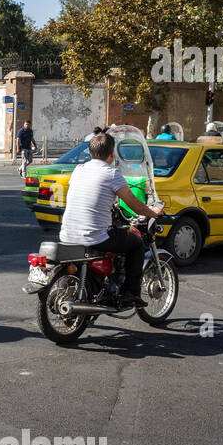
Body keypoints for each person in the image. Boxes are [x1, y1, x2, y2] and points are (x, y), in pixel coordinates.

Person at [59, 130, 165, 310]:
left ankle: (104, 284)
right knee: (136, 243)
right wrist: (153, 212)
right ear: (112, 153)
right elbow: (134, 204)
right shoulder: (112, 174)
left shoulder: (79, 170)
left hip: (67, 235)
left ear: (91, 152)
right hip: (95, 238)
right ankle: (130, 292)